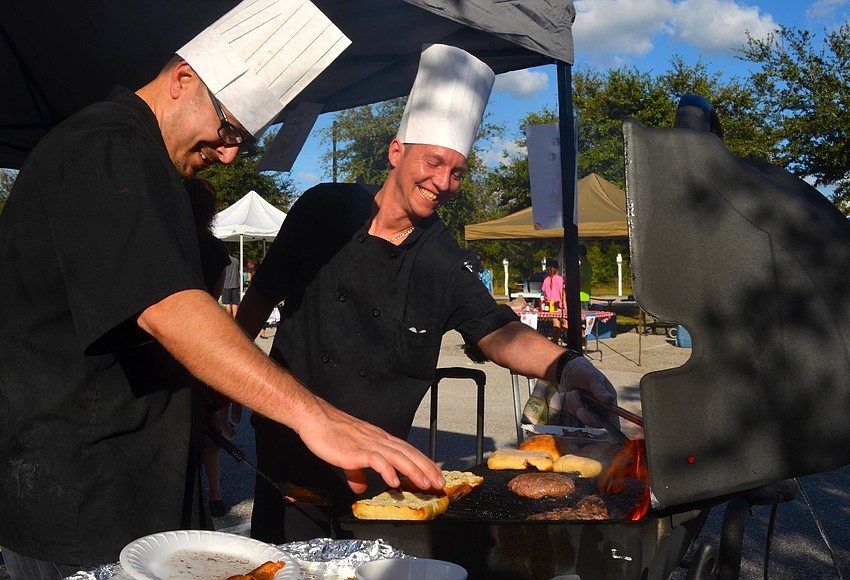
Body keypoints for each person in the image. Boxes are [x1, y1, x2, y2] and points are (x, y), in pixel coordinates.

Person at [0, 3, 443, 577]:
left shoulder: (152, 167)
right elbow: (168, 308)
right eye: (229, 129)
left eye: (247, 142)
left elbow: (130, 322)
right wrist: (315, 416)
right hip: (75, 494)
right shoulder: (104, 144)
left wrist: (198, 395)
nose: (230, 153)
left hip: (137, 484)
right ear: (184, 77)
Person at [236, 43, 619, 544]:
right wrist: (224, 388)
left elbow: (497, 330)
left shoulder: (441, 255)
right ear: (397, 151)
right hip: (291, 455)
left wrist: (571, 366)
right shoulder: (323, 210)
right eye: (434, 162)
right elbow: (261, 295)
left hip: (379, 470)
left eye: (457, 171)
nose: (444, 182)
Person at [185, 177, 236, 518]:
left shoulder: (167, 241)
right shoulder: (218, 252)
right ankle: (215, 496)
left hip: (162, 350)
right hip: (200, 345)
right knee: (213, 427)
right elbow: (212, 302)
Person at [541, 259, 566, 343]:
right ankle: (554, 341)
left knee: (556, 324)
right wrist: (565, 305)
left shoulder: (546, 280)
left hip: (550, 305)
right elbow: (561, 293)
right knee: (564, 325)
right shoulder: (559, 279)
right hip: (558, 304)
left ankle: (553, 340)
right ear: (557, 269)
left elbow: (544, 292)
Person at [579, 244, 593, 310]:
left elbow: (581, 283)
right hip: (586, 295)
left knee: (582, 317)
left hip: (581, 296)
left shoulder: (582, 267)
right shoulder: (587, 265)